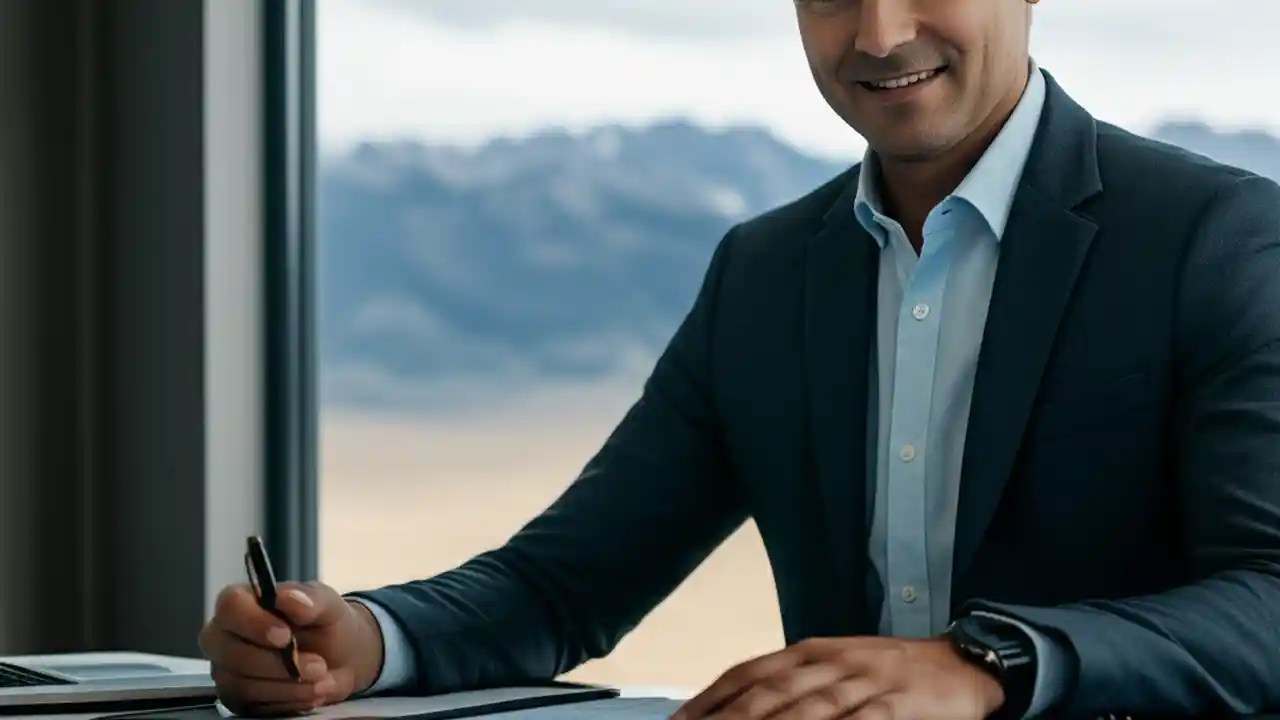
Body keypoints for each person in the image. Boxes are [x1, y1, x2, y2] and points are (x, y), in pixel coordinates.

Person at [200, 0, 1280, 717]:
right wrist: (364, 639)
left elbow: (1269, 602)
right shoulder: (764, 273)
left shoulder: (1214, 240)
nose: (876, 32)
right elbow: (560, 586)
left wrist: (986, 665)